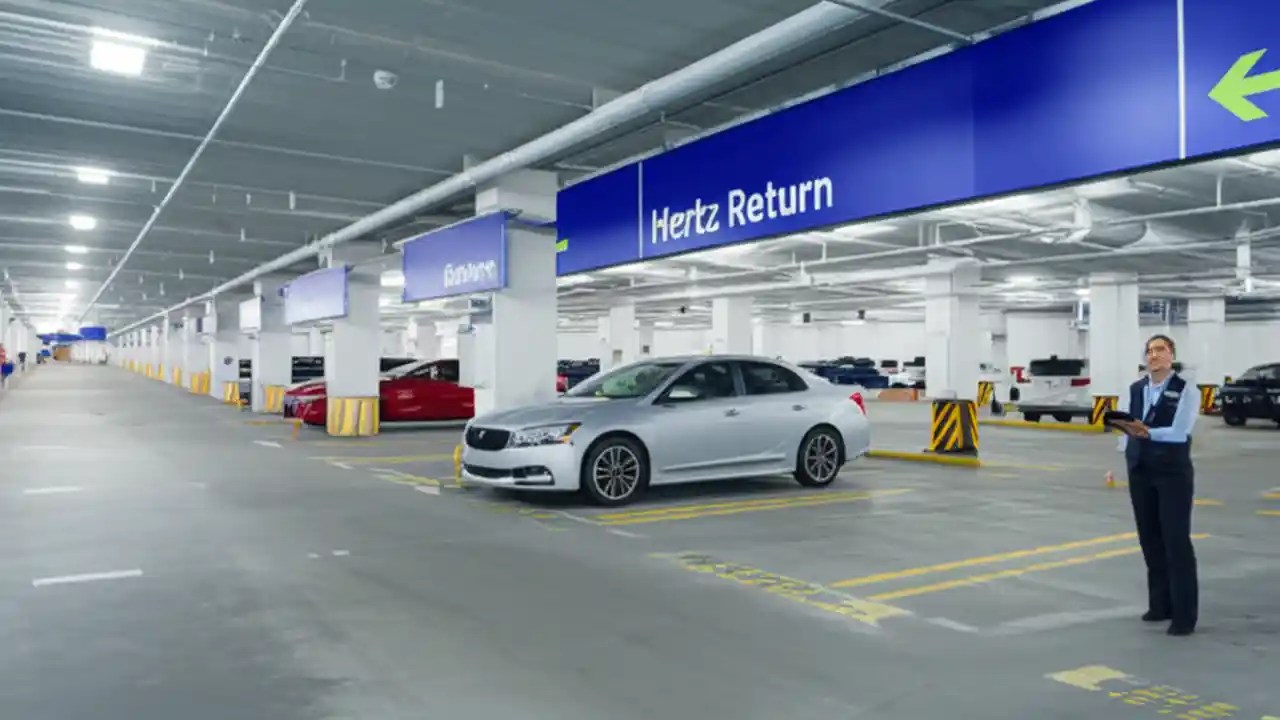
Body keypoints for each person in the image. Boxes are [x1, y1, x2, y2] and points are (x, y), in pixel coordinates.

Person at [1112, 334, 1199, 636]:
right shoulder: (1135, 389)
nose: (1154, 355)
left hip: (1172, 472)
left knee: (1176, 540)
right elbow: (1124, 425)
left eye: (1160, 350)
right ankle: (1159, 604)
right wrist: (1128, 447)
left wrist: (1147, 433)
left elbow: (1179, 432)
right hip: (1140, 470)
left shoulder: (1186, 390)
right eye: (1149, 351)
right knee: (1150, 538)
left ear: (1171, 356)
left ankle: (1184, 615)